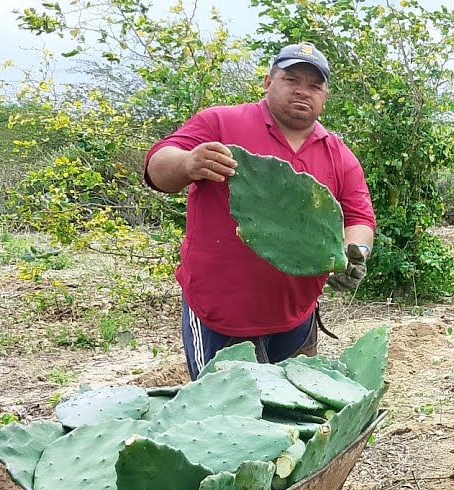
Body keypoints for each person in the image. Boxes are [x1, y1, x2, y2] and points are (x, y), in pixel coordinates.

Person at [144, 42, 376, 380]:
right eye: (291, 79)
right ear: (268, 82)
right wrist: (188, 161)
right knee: (230, 420)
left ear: (325, 96)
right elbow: (156, 168)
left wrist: (355, 252)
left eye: (314, 85)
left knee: (296, 419)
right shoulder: (221, 123)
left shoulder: (338, 154)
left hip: (298, 317)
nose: (303, 91)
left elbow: (359, 218)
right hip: (219, 317)